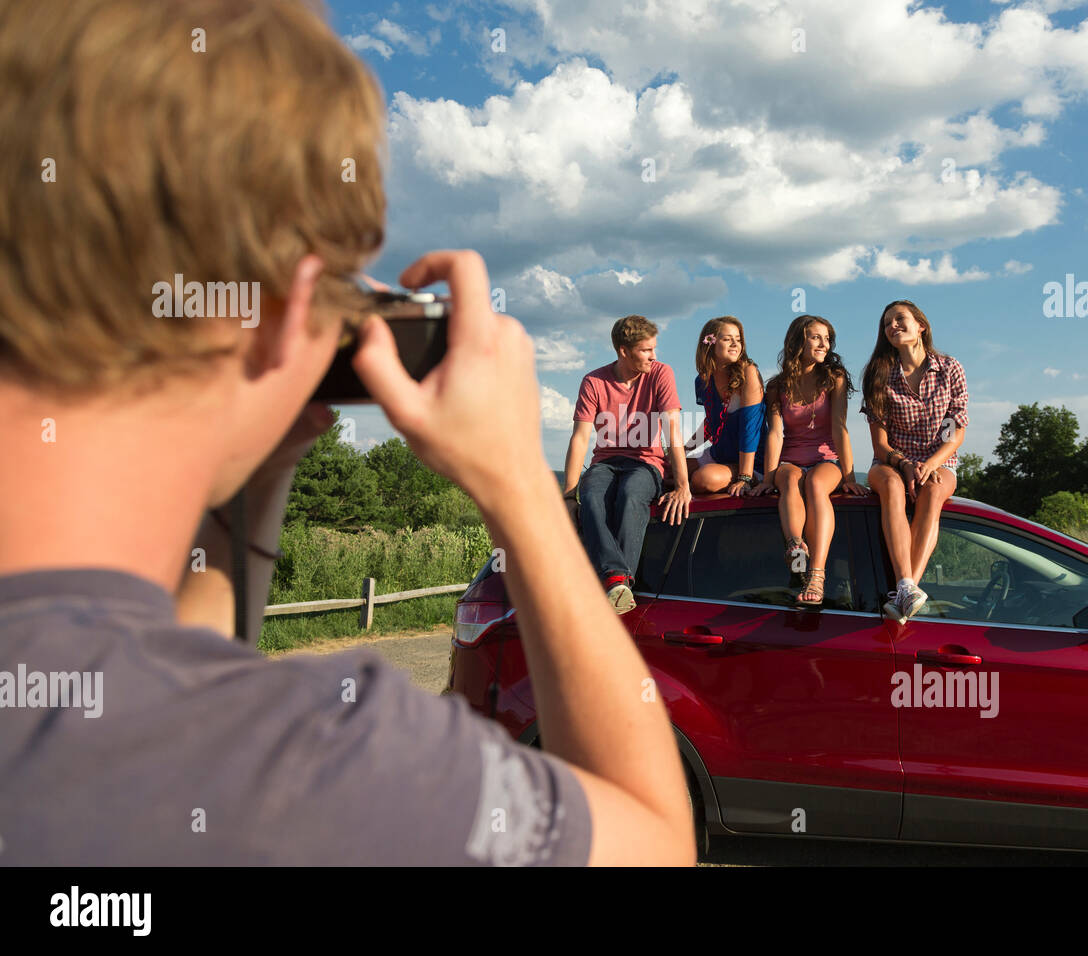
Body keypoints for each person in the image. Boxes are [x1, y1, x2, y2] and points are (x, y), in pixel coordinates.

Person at [0, 0, 694, 866]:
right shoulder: (321, 764)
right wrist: (517, 484)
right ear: (296, 314)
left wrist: (261, 444)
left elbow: (185, 655)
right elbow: (652, 839)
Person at [562, 316, 691, 614]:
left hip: (647, 463)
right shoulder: (594, 381)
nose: (654, 356)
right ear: (624, 350)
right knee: (592, 497)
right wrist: (568, 496)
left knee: (632, 495)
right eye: (646, 350)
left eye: (654, 348)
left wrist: (683, 486)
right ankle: (617, 580)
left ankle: (613, 581)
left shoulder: (661, 373)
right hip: (605, 462)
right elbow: (580, 438)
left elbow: (673, 430)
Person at [861, 300, 969, 622]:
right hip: (890, 462)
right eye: (886, 324)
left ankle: (906, 590)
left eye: (899, 319)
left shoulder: (949, 369)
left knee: (933, 492)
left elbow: (957, 433)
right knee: (893, 488)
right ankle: (906, 585)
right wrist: (904, 464)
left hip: (938, 460)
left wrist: (931, 465)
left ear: (921, 325)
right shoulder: (879, 376)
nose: (892, 326)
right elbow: (880, 444)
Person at [752, 315, 868, 605]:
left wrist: (850, 477)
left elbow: (839, 427)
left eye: (827, 338)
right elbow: (776, 433)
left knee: (816, 484)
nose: (824, 344)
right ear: (798, 340)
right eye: (816, 337)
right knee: (790, 479)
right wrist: (768, 478)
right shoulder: (777, 386)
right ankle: (795, 546)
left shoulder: (834, 378)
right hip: (790, 458)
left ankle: (816, 574)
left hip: (826, 458)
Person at [683, 316, 766, 495]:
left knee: (703, 479)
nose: (735, 344)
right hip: (719, 455)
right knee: (667, 467)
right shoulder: (703, 380)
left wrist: (745, 476)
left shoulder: (748, 373)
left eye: (738, 339)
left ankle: (684, 489)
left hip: (751, 462)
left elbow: (750, 428)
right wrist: (685, 450)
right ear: (710, 342)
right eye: (727, 339)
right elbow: (712, 422)